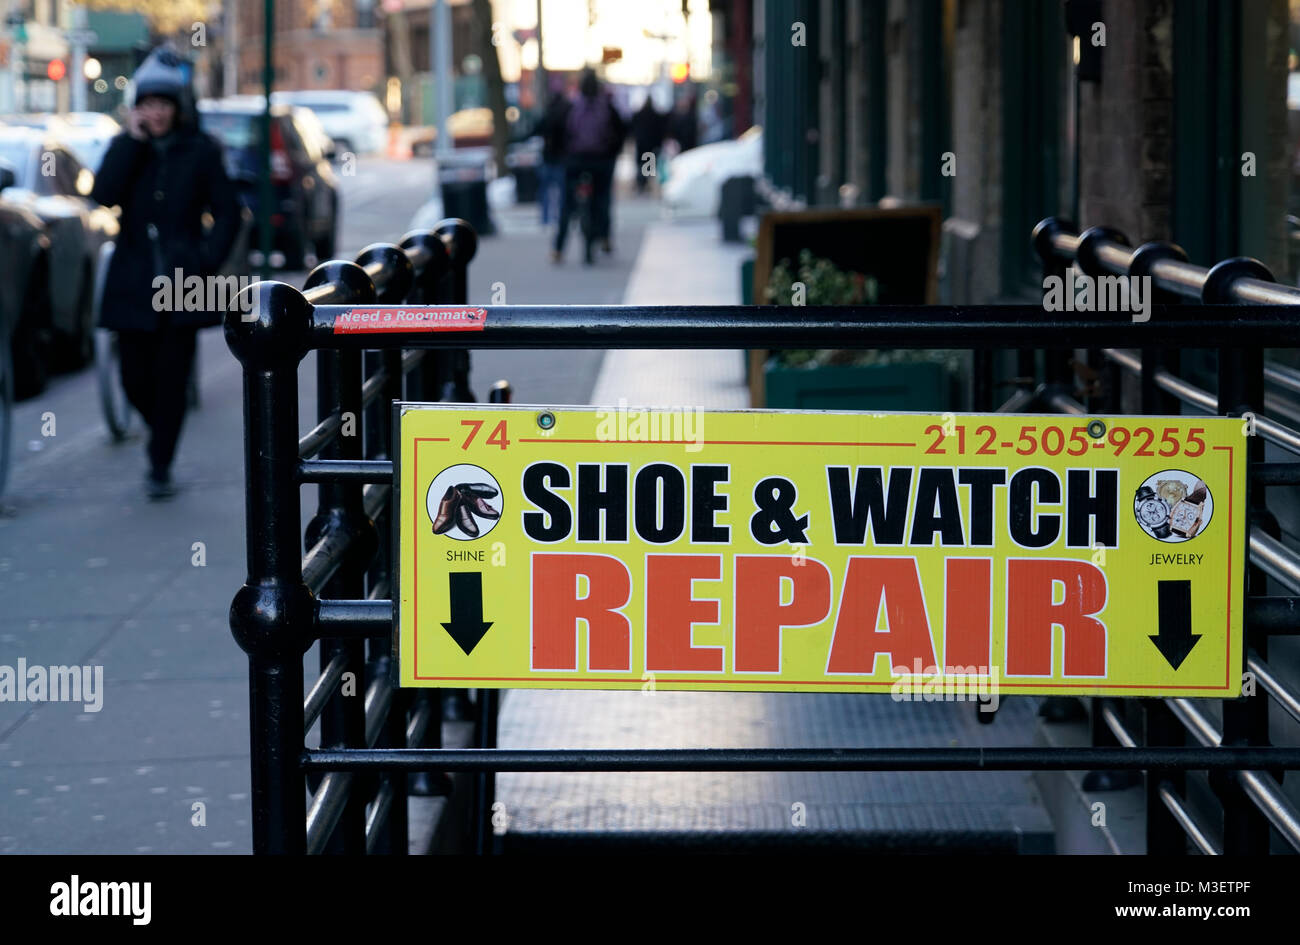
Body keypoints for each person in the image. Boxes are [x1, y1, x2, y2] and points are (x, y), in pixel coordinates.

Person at [92, 46, 240, 500]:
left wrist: (206, 261)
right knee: (134, 376)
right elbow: (104, 195)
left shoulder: (199, 151)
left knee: (172, 376)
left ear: (177, 109)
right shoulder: (128, 148)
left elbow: (229, 212)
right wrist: (131, 142)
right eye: (147, 105)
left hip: (181, 282)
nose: (155, 114)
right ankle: (159, 430)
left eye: (162, 105)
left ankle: (160, 464)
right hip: (133, 277)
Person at [551, 68, 625, 264]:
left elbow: (557, 132)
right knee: (603, 200)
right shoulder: (608, 107)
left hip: (575, 162)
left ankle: (558, 248)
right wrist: (612, 154)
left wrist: (563, 155)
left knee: (567, 205)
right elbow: (621, 131)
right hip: (601, 162)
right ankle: (605, 238)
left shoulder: (571, 107)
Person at [630, 95, 665, 195]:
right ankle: (644, 183)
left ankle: (641, 182)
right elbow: (660, 131)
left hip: (641, 143)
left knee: (640, 164)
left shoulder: (639, 114)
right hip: (651, 144)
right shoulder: (655, 115)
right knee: (648, 165)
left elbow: (633, 127)